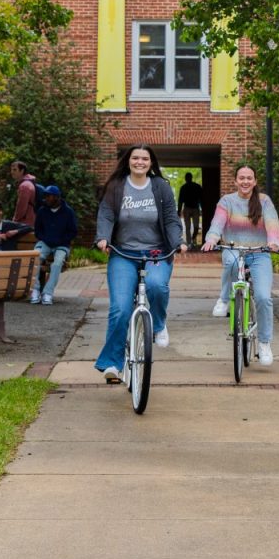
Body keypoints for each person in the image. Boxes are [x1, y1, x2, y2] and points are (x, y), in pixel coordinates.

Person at [94, 144, 185, 382]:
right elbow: (106, 215)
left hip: (156, 253)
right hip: (123, 254)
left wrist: (178, 242)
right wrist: (103, 237)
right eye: (135, 158)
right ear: (128, 161)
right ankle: (112, 364)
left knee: (157, 286)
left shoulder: (160, 187)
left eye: (145, 159)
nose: (140, 162)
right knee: (120, 309)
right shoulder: (116, 186)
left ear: (151, 163)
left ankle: (158, 324)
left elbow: (171, 218)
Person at [202, 164, 279, 366]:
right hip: (233, 249)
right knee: (229, 263)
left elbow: (272, 223)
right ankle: (224, 299)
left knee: (263, 298)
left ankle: (264, 343)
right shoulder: (227, 201)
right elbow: (217, 223)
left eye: (249, 178)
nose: (245, 181)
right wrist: (211, 238)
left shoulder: (264, 201)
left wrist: (274, 242)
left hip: (259, 253)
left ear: (254, 181)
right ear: (235, 181)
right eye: (241, 178)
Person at [32, 184, 77, 305]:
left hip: (62, 245)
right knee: (35, 259)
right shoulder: (42, 211)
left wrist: (61, 240)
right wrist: (45, 238)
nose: (46, 198)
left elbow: (73, 231)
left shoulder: (68, 212)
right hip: (45, 243)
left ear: (57, 197)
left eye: (49, 196)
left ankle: (47, 293)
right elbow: (37, 230)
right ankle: (35, 290)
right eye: (45, 196)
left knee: (57, 263)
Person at [177, 172, 204, 246]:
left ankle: (192, 239)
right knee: (188, 227)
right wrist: (179, 210)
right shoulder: (184, 188)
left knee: (196, 226)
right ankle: (189, 243)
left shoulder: (196, 186)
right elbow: (180, 200)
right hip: (187, 208)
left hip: (195, 208)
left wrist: (202, 208)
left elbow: (201, 198)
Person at [9, 160, 38, 228]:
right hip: (29, 221)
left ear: (22, 171)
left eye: (15, 170)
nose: (12, 172)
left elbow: (21, 207)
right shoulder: (27, 183)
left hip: (25, 223)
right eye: (11, 170)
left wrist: (14, 221)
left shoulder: (24, 186)